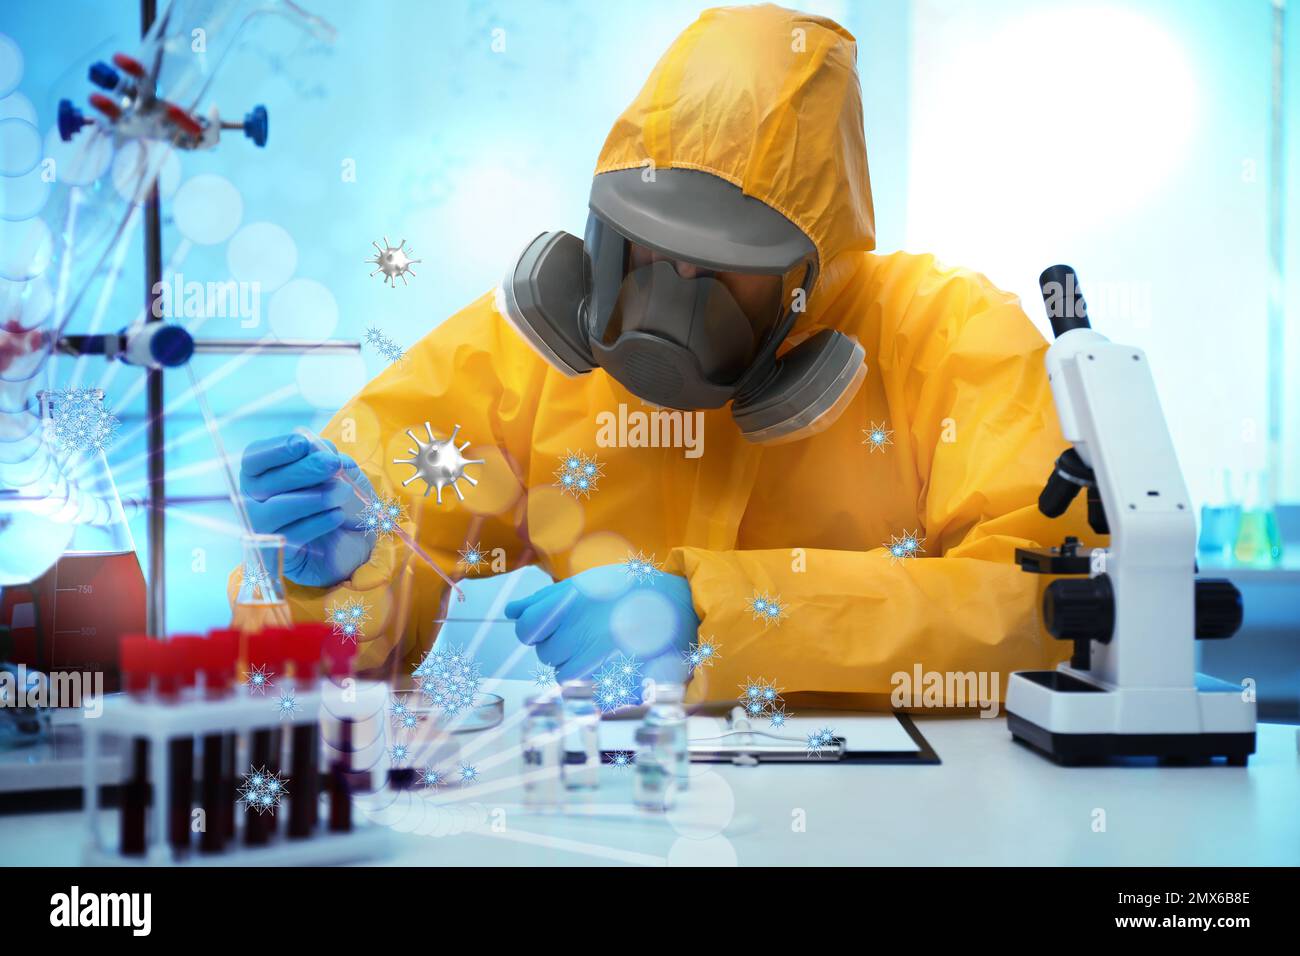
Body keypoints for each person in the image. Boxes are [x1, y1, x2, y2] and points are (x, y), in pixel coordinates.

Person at [237, 4, 1092, 706]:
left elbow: (1052, 606)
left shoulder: (942, 336)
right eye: (650, 251)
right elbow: (311, 670)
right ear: (601, 231)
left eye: (728, 271)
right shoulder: (527, 357)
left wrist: (721, 617)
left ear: (811, 275)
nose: (674, 299)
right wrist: (339, 578)